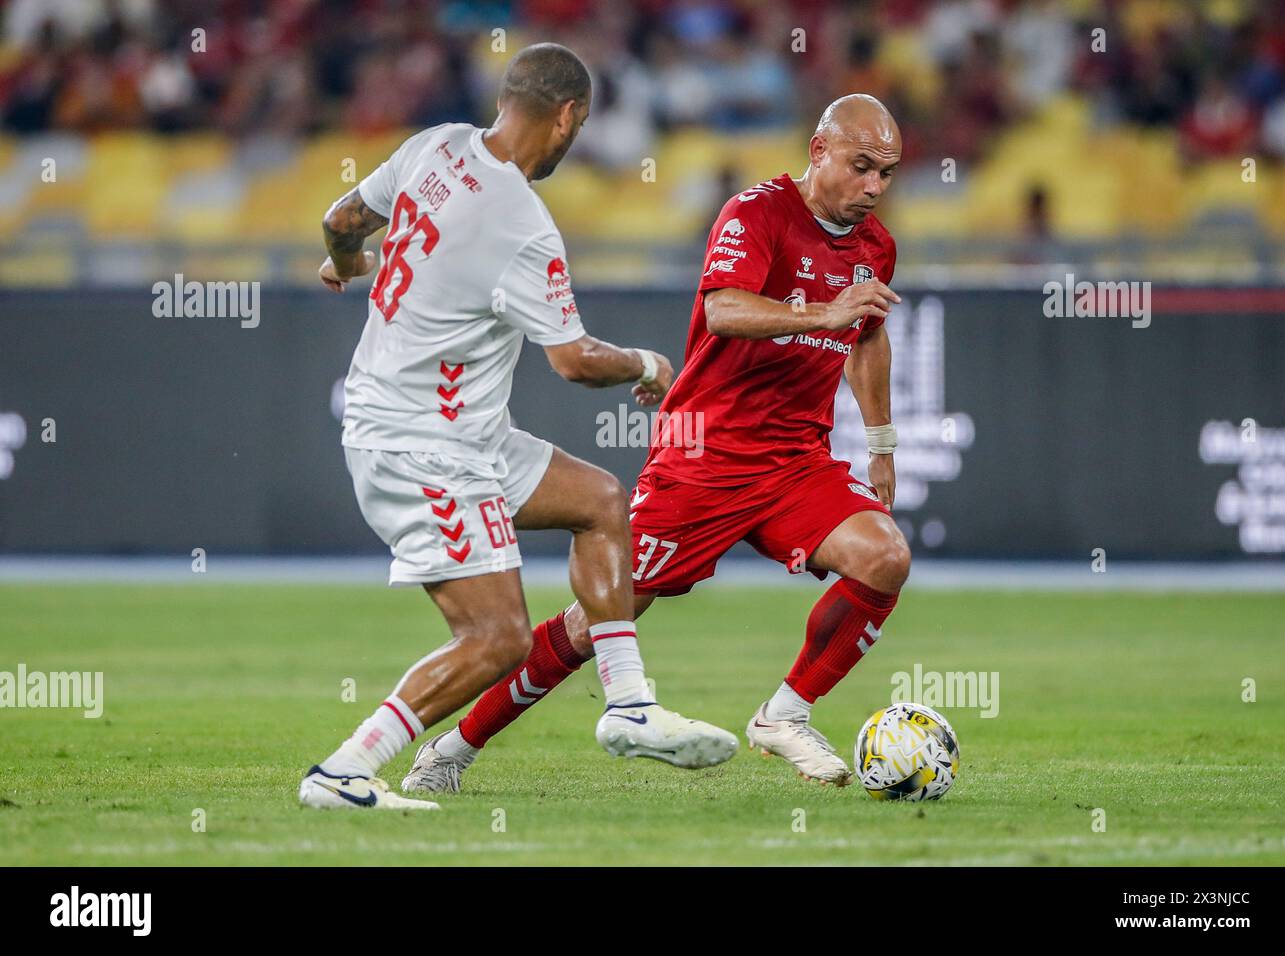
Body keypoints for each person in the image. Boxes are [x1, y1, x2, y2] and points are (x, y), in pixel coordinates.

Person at [404, 93, 909, 792]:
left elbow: (869, 335)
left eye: (887, 174)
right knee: (594, 624)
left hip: (797, 462)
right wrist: (826, 311)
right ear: (820, 151)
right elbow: (723, 309)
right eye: (862, 168)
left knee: (884, 557)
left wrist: (880, 440)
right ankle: (454, 748)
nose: (875, 189)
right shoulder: (756, 213)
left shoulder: (876, 245)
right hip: (705, 457)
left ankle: (785, 716)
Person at [300, 42, 737, 811]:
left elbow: (342, 220)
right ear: (568, 117)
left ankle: (629, 706)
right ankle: (344, 770)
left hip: (458, 433)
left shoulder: (432, 145)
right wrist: (647, 364)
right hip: (417, 446)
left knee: (601, 501)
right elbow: (573, 360)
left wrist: (347, 261)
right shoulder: (522, 223)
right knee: (497, 639)